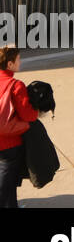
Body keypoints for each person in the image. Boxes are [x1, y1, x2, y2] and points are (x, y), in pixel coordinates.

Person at [0, 46, 39, 208]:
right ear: (10, 64)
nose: (20, 62)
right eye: (18, 59)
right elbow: (28, 115)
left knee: (6, 178)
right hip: (9, 142)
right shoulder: (15, 85)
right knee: (7, 179)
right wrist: (36, 111)